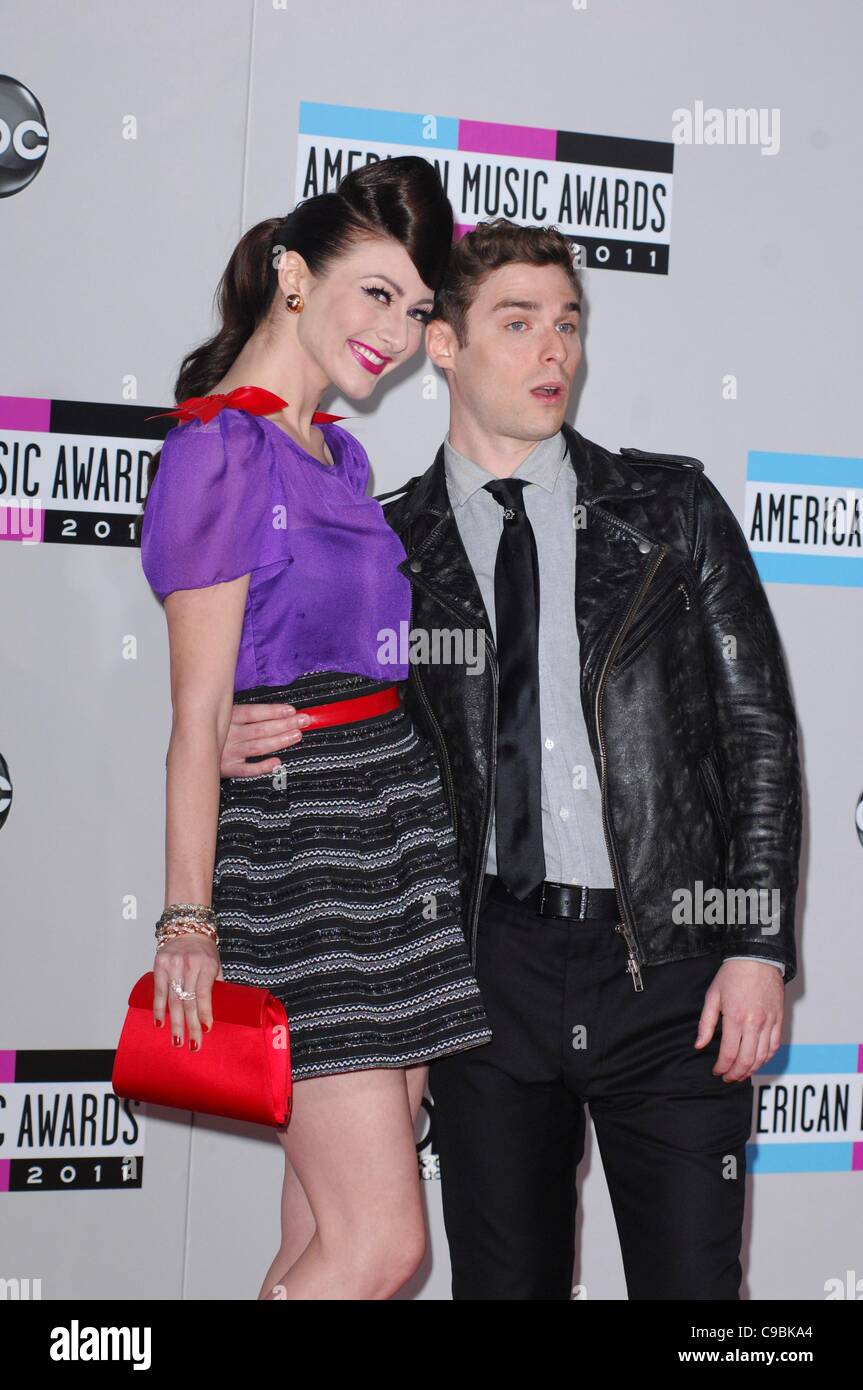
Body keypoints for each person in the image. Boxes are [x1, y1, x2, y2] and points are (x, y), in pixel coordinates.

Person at [218, 217, 802, 1300]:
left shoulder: (669, 512)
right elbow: (318, 727)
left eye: (567, 325)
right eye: (519, 323)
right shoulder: (384, 548)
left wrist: (756, 944)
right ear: (442, 345)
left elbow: (755, 732)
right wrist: (235, 731)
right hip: (483, 975)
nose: (552, 354)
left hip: (669, 972)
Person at [138, 157, 493, 1302]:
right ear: (294, 274)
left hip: (388, 834)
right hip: (304, 857)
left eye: (418, 307)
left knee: (314, 1247)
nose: (395, 332)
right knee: (382, 1245)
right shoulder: (220, 447)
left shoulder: (337, 453)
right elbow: (197, 720)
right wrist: (188, 922)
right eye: (376, 292)